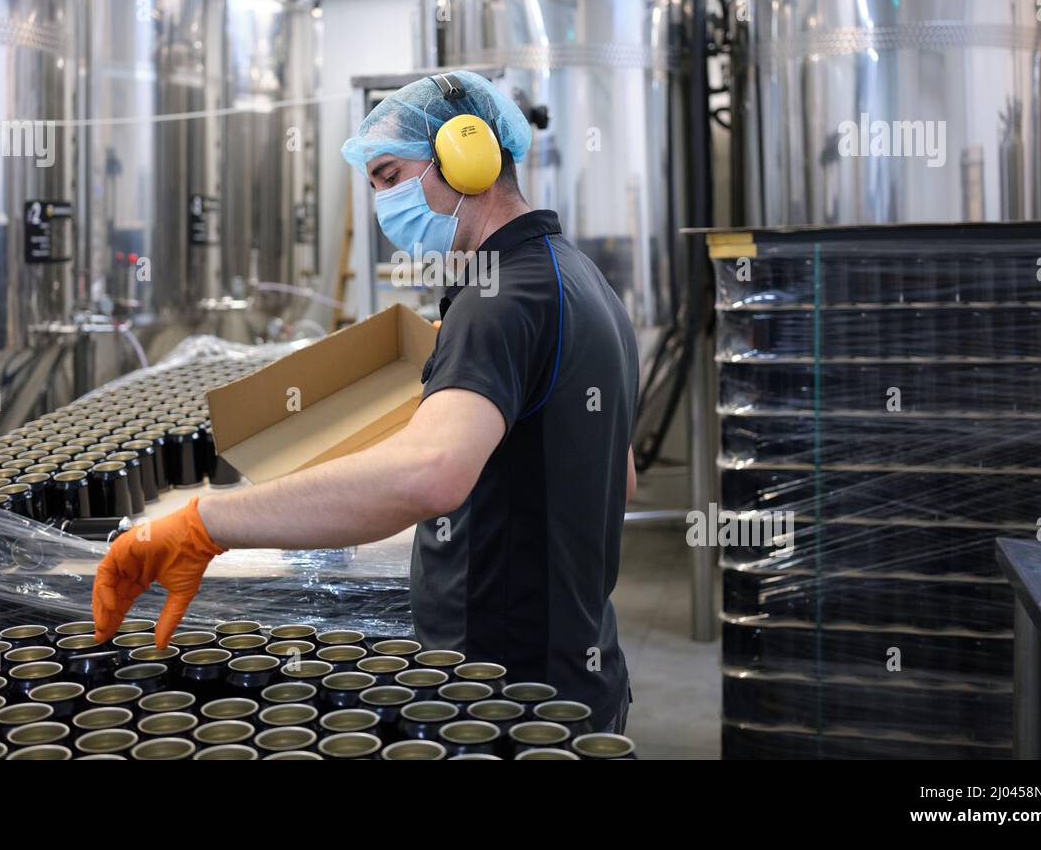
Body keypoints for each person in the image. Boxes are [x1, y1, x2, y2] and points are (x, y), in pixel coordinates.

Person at [92, 70, 639, 732]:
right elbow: (620, 476)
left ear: (466, 154)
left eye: (388, 176)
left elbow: (429, 473)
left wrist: (205, 524)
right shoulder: (582, 280)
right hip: (582, 677)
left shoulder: (501, 303)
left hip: (504, 698)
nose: (384, 204)